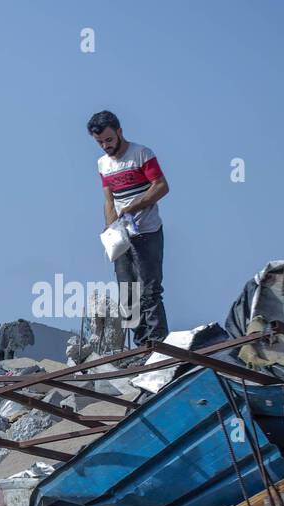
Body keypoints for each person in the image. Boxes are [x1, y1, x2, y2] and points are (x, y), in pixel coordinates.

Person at [88, 110, 170, 349]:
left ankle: (158, 343)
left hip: (147, 231)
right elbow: (108, 199)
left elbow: (162, 186)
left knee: (150, 289)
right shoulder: (103, 164)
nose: (106, 146)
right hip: (121, 235)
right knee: (128, 292)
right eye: (100, 142)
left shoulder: (141, 154)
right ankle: (141, 344)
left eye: (109, 140)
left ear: (120, 132)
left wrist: (136, 206)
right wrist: (109, 228)